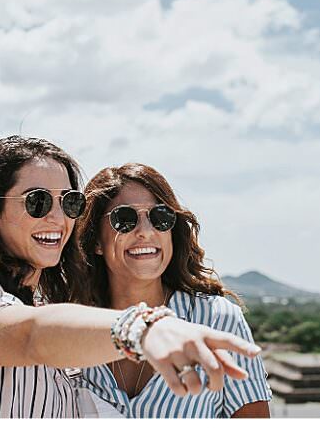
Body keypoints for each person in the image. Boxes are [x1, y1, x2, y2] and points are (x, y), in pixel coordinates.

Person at [0, 136, 262, 418]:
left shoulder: (60, 312)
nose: (56, 217)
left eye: (69, 203)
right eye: (37, 202)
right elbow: (30, 336)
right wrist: (143, 329)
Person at [73, 163, 272, 418]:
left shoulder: (218, 320)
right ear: (96, 240)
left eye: (160, 217)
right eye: (124, 219)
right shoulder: (73, 326)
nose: (145, 232)